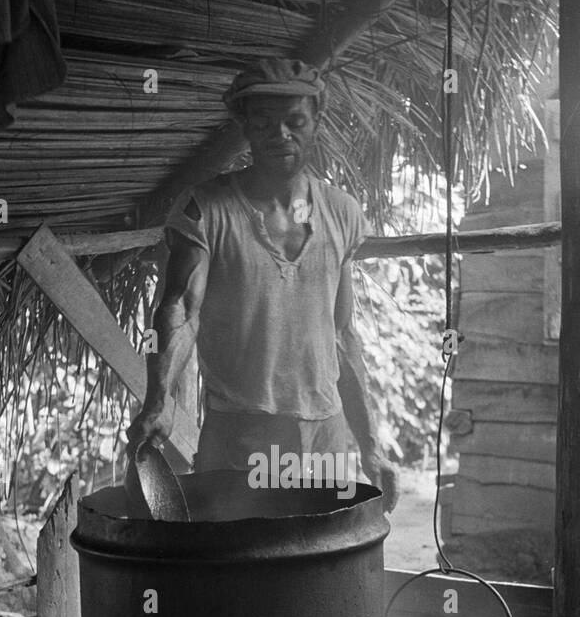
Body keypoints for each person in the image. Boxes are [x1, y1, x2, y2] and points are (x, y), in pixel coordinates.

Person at [127, 58, 398, 511]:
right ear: (244, 126)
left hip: (324, 436)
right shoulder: (206, 209)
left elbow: (342, 334)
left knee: (319, 569)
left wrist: (369, 444)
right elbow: (180, 311)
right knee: (235, 568)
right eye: (264, 122)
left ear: (316, 121)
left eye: (295, 121)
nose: (281, 135)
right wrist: (159, 401)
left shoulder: (342, 212)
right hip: (241, 436)